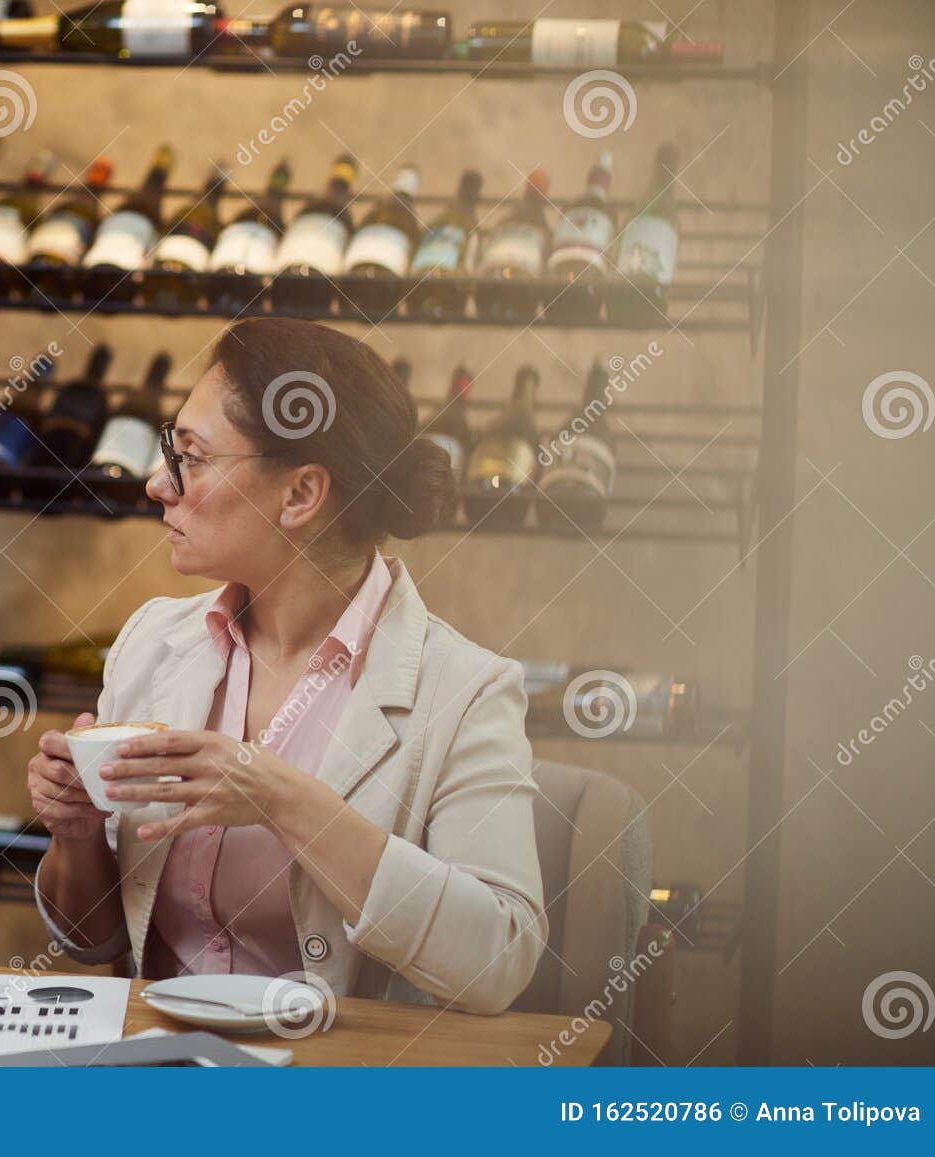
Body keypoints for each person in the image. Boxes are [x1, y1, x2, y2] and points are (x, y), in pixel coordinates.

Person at [27, 318, 547, 1014]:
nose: (158, 483)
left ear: (300, 494)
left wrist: (281, 799)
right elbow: (93, 943)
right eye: (167, 449)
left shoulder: (466, 691)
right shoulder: (152, 641)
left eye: (193, 455)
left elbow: (497, 960)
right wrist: (78, 837)